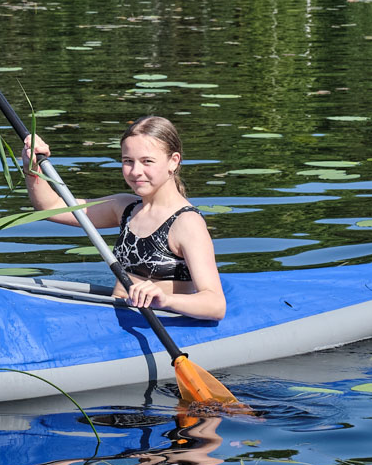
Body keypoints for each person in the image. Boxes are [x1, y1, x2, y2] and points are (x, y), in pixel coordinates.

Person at [21, 115, 226, 320]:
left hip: (159, 321)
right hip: (116, 315)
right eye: (128, 161)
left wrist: (166, 299)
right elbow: (51, 207)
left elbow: (215, 305)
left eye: (147, 161)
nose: (136, 171)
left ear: (173, 161)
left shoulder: (186, 222)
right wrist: (32, 167)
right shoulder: (126, 208)